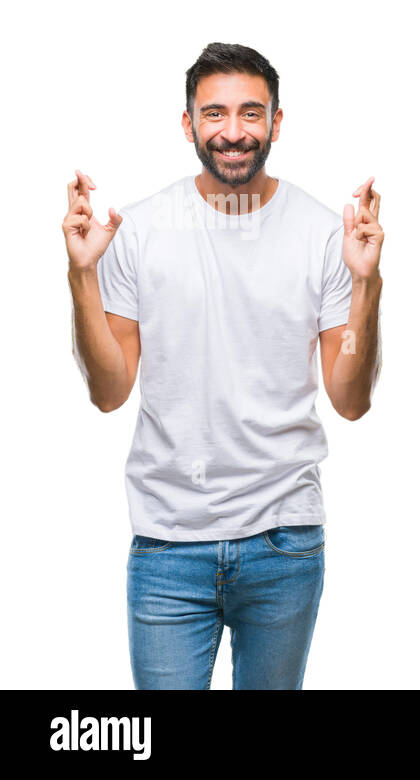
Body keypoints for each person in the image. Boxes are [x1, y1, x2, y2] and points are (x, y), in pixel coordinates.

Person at [61, 42, 385, 689]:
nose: (233, 132)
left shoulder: (324, 233)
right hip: (168, 541)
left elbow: (349, 400)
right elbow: (108, 391)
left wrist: (367, 285)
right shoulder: (143, 229)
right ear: (188, 125)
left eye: (250, 113)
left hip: (283, 539)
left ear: (276, 122)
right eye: (214, 114)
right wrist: (82, 275)